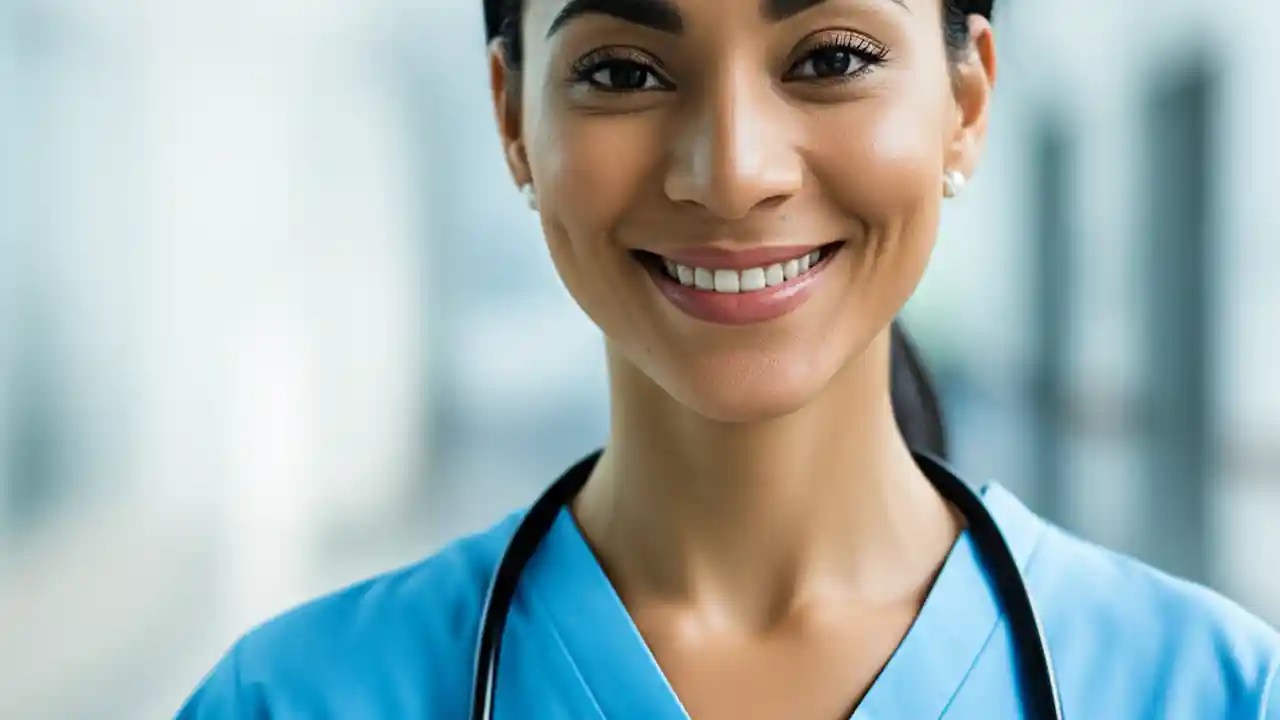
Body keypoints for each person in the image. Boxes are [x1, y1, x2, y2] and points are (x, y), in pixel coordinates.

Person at [177, 0, 1280, 717]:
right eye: (620, 73)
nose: (731, 170)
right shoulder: (292, 698)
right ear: (513, 118)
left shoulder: (1213, 692)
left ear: (965, 104)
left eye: (830, 57)